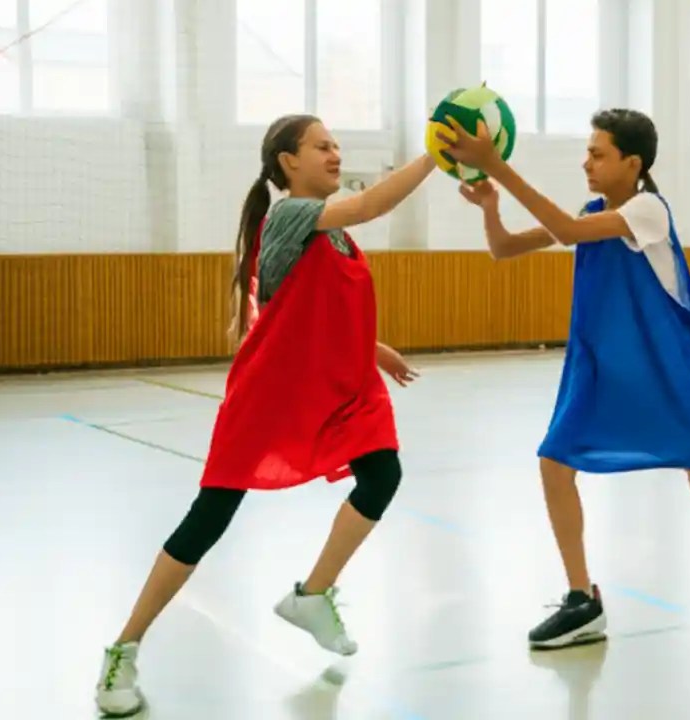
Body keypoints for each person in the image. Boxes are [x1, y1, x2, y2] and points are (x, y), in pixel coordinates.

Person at [94, 115, 436, 716]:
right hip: (273, 396)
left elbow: (318, 307)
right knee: (209, 519)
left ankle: (313, 594)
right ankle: (124, 646)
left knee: (383, 475)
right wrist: (438, 154)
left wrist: (373, 349)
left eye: (336, 144)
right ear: (287, 161)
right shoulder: (291, 215)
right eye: (321, 146)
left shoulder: (333, 235)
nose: (335, 153)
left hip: (337, 390)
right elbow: (370, 205)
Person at [437, 108, 690, 649]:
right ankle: (582, 599)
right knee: (554, 464)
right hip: (602, 367)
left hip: (663, 368)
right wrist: (491, 206)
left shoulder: (648, 209)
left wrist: (497, 166)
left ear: (633, 163)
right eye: (587, 151)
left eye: (597, 153)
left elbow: (566, 230)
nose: (586, 162)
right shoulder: (591, 208)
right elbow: (504, 248)